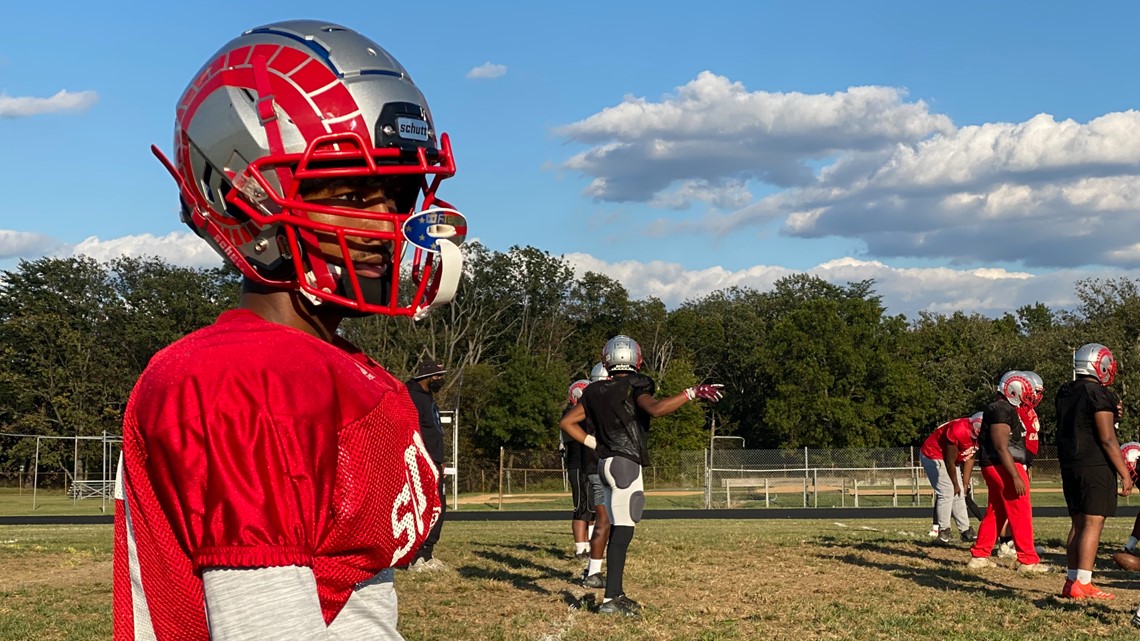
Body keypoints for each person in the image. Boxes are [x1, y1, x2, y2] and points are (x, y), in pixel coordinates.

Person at [113, 20, 461, 640]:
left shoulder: (334, 367)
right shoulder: (243, 378)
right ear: (243, 198)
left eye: (397, 193)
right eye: (351, 196)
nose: (388, 226)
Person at [560, 336, 723, 616]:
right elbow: (655, 409)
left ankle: (614, 593)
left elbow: (566, 422)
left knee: (617, 525)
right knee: (623, 529)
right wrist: (691, 393)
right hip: (625, 464)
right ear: (636, 359)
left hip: (604, 463)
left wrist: (594, 443)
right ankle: (612, 598)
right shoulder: (636, 384)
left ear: (607, 360)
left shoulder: (594, 390)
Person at [1056, 343, 1132, 599]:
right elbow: (1107, 438)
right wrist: (1124, 473)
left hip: (1070, 464)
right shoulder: (1098, 393)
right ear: (1100, 365)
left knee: (1078, 524)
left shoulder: (1065, 391)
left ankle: (1071, 580)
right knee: (1093, 523)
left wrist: (1112, 414)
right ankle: (1084, 582)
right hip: (1094, 464)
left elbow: (1083, 421)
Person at [967, 371, 1047, 573]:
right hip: (1003, 465)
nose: (1029, 397)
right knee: (1021, 510)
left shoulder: (1002, 408)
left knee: (997, 511)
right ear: (1013, 389)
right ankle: (1028, 560)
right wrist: (1015, 476)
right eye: (1026, 393)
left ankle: (979, 555)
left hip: (998, 464)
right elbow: (1001, 446)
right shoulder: (1001, 408)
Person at [407, 358, 450, 571]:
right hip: (421, 462)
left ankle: (426, 553)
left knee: (438, 506)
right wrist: (425, 460)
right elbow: (413, 431)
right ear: (426, 377)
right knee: (422, 508)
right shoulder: (412, 398)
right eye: (437, 376)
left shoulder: (427, 397)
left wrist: (439, 460)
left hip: (433, 461)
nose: (440, 380)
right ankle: (415, 557)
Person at [919, 413, 982, 544]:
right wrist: (955, 484)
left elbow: (970, 457)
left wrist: (965, 483)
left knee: (960, 493)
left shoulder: (983, 434)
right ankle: (944, 531)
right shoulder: (959, 430)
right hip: (934, 454)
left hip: (951, 460)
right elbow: (949, 461)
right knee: (947, 492)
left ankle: (965, 530)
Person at [580, 362, 611, 588]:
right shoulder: (599, 402)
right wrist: (595, 443)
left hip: (596, 464)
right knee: (604, 519)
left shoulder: (589, 399)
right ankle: (593, 571)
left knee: (607, 519)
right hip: (599, 465)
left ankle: (594, 568)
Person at [563, 379, 595, 560]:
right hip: (578, 465)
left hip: (589, 464)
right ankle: (581, 549)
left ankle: (590, 546)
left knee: (592, 507)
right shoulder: (570, 415)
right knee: (581, 508)